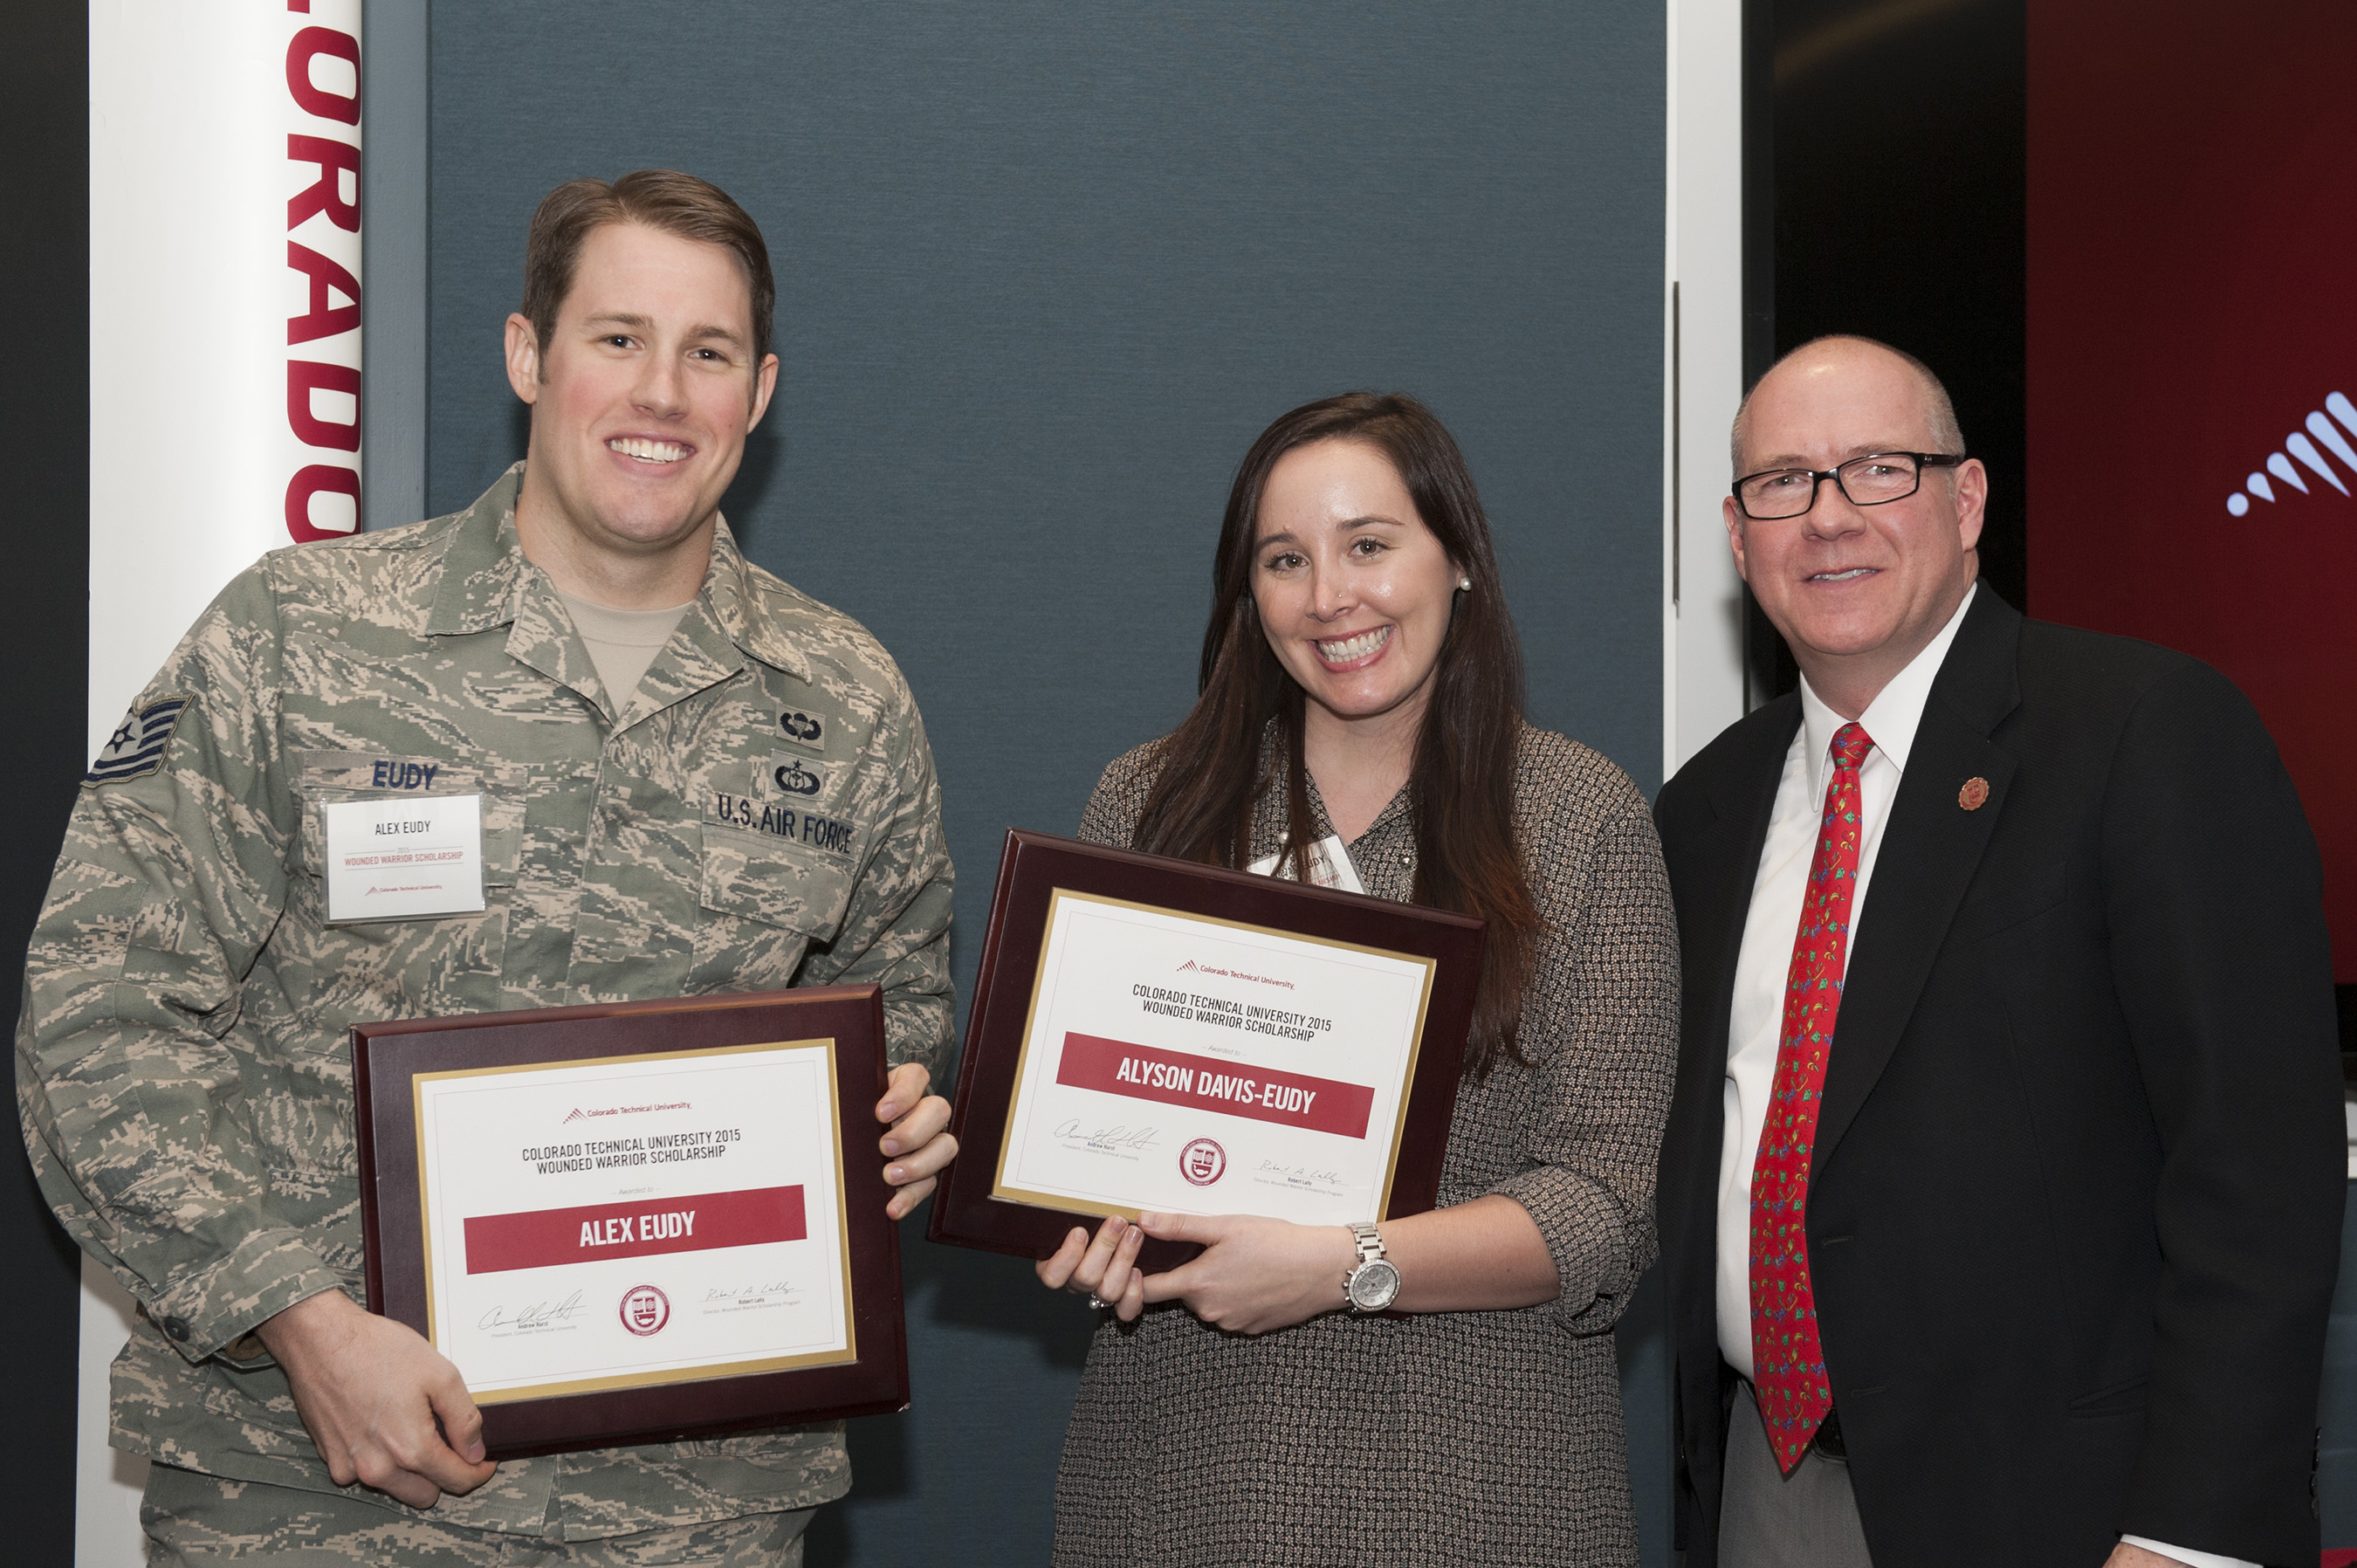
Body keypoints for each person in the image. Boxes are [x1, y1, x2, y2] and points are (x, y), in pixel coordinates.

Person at [16, 170, 959, 1565]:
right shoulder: (299, 636)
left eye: (708, 353)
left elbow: (901, 1017)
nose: (661, 393)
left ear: (759, 394)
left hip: (694, 1506)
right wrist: (302, 1324)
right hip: (322, 1486)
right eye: (617, 338)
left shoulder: (846, 700)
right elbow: (95, 1014)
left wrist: (896, 1122)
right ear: (529, 355)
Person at [1652, 335, 2344, 1568]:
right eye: (1783, 482)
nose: (1829, 516)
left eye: (1879, 468)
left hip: (2079, 1514)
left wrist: (2189, 1538)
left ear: (1967, 501)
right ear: (1738, 535)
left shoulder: (2146, 733)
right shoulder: (1704, 809)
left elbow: (2257, 1172)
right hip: (1769, 1487)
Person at [1035, 391, 1680, 1566]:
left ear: (1459, 560)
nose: (1330, 596)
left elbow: (1604, 1208)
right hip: (1182, 1493)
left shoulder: (1580, 818)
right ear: (1249, 595)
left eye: (1370, 545)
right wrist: (1083, 1227)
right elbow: (1082, 1146)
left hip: (1485, 1496)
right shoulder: (1149, 808)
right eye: (1286, 559)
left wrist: (1345, 1268)